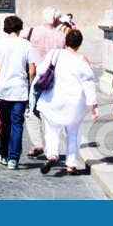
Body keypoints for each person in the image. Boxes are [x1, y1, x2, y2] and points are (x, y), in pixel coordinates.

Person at [37, 27, 98, 176]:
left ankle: (52, 154)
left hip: (53, 99)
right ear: (80, 44)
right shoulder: (82, 60)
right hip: (74, 102)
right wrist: (93, 105)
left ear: (66, 41)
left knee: (52, 129)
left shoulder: (55, 54)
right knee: (73, 133)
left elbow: (40, 71)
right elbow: (88, 83)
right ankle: (71, 164)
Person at [0, 14, 37, 168]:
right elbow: (32, 69)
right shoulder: (26, 45)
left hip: (4, 89)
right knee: (17, 124)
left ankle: (3, 153)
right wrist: (30, 86)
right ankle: (13, 158)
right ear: (20, 28)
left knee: (6, 124)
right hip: (20, 90)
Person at [25, 8, 65, 158]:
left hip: (37, 76)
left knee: (32, 110)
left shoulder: (32, 32)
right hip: (54, 77)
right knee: (51, 111)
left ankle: (38, 143)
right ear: (55, 19)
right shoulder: (61, 36)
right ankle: (51, 146)